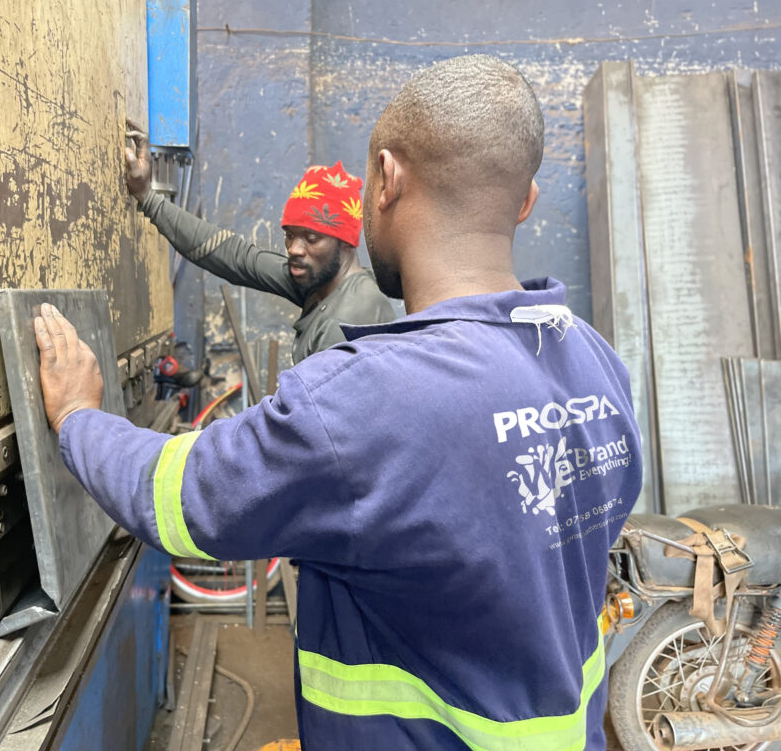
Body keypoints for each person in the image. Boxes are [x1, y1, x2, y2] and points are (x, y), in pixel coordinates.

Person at [36, 55, 642, 749]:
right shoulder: (594, 360)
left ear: (385, 181)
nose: (294, 249)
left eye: (310, 234)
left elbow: (184, 499)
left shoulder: (368, 397)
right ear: (528, 200)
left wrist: (80, 416)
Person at [124, 121, 395, 363]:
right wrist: (147, 197)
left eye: (312, 238)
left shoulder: (349, 317)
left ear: (346, 242)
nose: (295, 249)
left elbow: (317, 416)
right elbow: (236, 257)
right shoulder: (321, 280)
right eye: (290, 234)